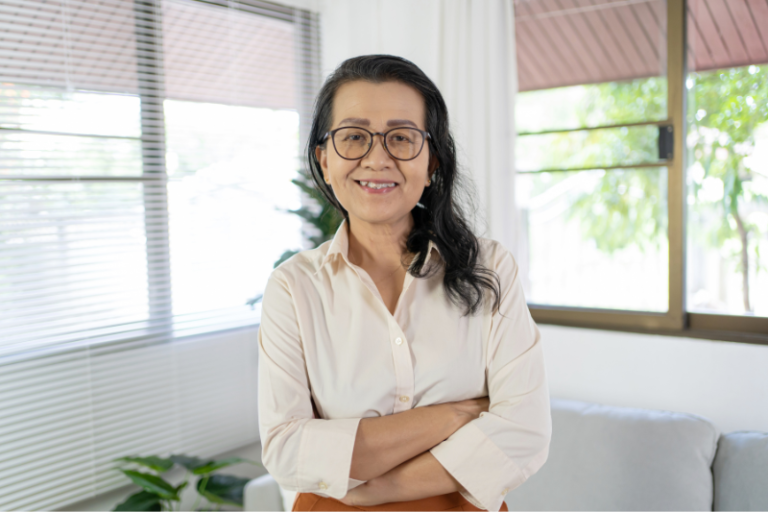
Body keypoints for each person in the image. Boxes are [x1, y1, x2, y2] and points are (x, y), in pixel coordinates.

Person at [257, 54, 551, 512]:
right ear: (324, 160)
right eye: (354, 137)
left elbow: (524, 433)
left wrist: (375, 489)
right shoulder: (293, 287)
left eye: (401, 138)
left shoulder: (491, 267)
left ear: (432, 161)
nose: (377, 159)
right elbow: (286, 450)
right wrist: (456, 415)